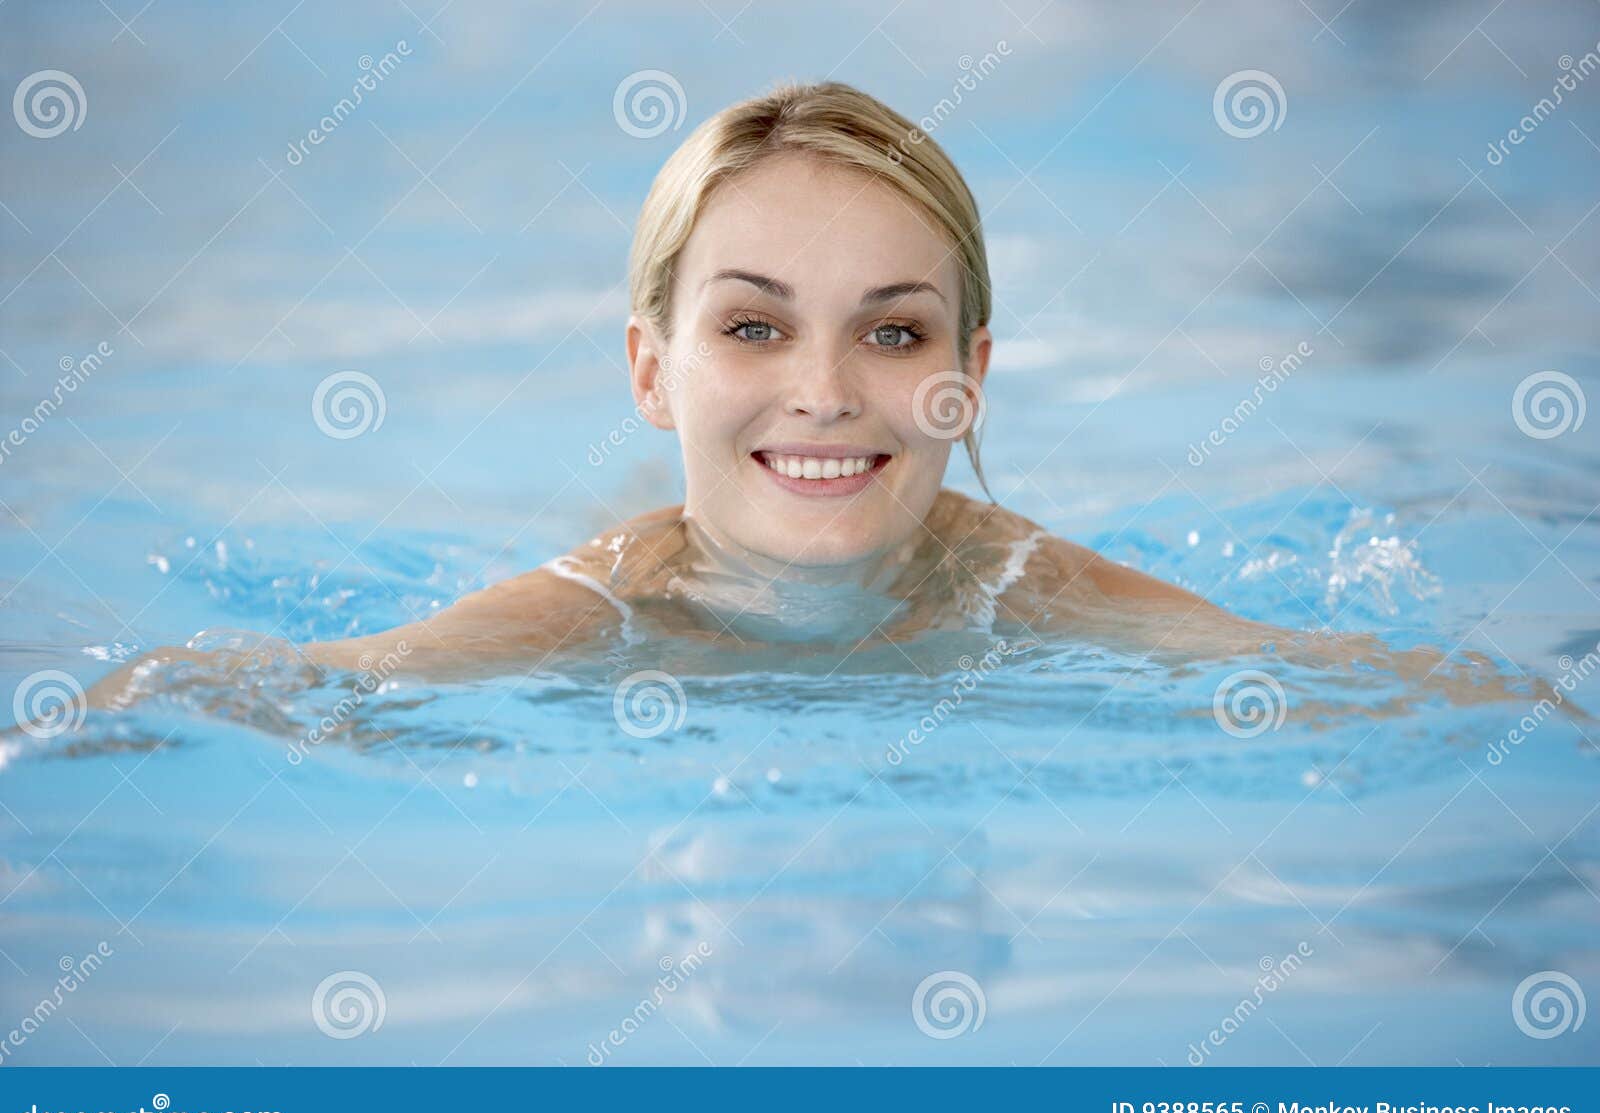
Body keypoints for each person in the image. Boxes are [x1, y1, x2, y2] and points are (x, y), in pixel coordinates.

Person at [84, 81, 1510, 711]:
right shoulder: (595, 611)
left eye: (894, 338)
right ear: (652, 370)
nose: (823, 394)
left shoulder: (1031, 590)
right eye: (754, 326)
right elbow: (278, 690)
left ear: (971, 377)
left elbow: (1369, 691)